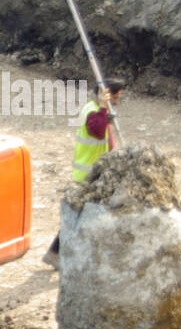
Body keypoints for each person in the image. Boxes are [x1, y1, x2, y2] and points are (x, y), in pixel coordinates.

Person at [43, 79, 125, 269]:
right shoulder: (92, 111)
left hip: (98, 174)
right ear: (104, 95)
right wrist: (104, 109)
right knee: (83, 217)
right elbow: (96, 131)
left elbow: (107, 141)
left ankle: (55, 253)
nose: (117, 100)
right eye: (115, 96)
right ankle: (58, 253)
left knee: (82, 216)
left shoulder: (100, 112)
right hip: (88, 176)